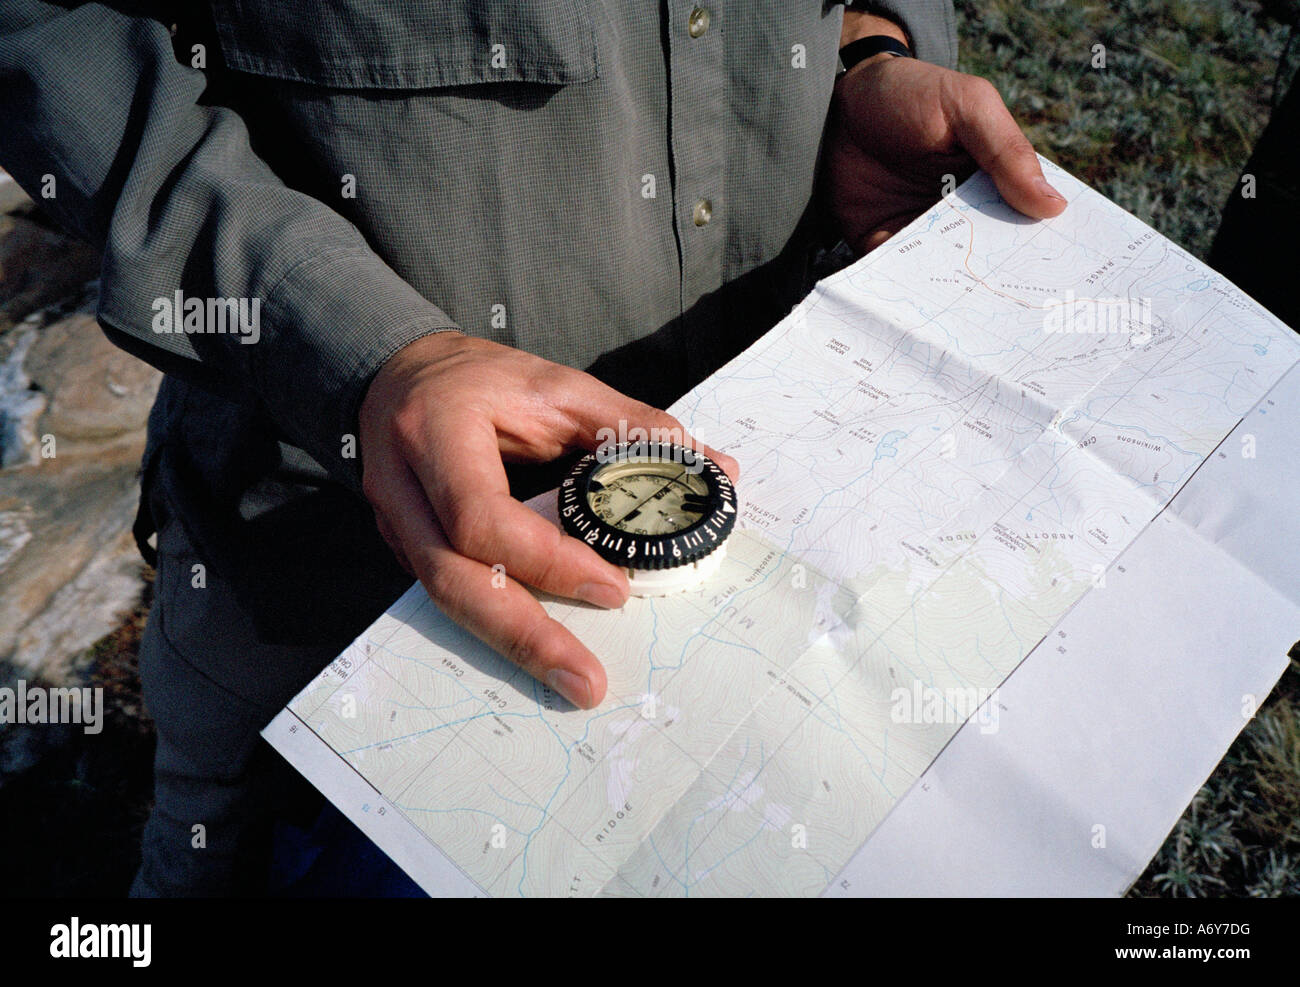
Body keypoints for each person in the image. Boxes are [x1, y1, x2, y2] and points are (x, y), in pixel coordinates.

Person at [0, 0, 1065, 895]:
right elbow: (43, 32)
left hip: (762, 509)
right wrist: (362, 353)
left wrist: (867, 48)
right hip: (330, 567)